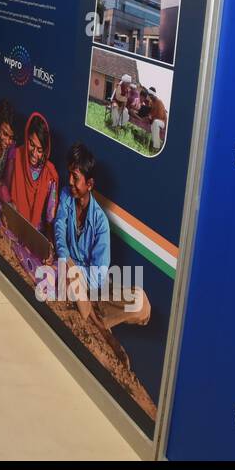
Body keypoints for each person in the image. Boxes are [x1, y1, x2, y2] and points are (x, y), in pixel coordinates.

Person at [52, 143, 150, 341]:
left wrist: (74, 271)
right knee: (67, 269)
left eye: (76, 177)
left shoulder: (101, 223)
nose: (70, 181)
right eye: (69, 174)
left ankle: (95, 314)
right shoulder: (65, 195)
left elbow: (97, 278)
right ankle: (94, 320)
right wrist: (63, 257)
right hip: (68, 267)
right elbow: (59, 228)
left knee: (141, 303)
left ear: (89, 184)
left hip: (92, 284)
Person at [9, 111, 59, 235]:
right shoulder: (16, 156)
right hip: (12, 220)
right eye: (31, 144)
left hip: (34, 232)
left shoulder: (50, 174)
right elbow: (5, 189)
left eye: (40, 150)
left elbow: (50, 217)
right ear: (26, 138)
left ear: (45, 150)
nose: (34, 153)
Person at [143, 86, 168, 152]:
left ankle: (156, 147)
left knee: (156, 122)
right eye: (149, 95)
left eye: (150, 95)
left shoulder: (159, 102)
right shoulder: (151, 102)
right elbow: (150, 113)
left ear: (153, 95)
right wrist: (148, 117)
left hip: (162, 122)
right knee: (152, 123)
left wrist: (151, 117)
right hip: (154, 121)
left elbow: (160, 116)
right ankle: (146, 143)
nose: (150, 97)